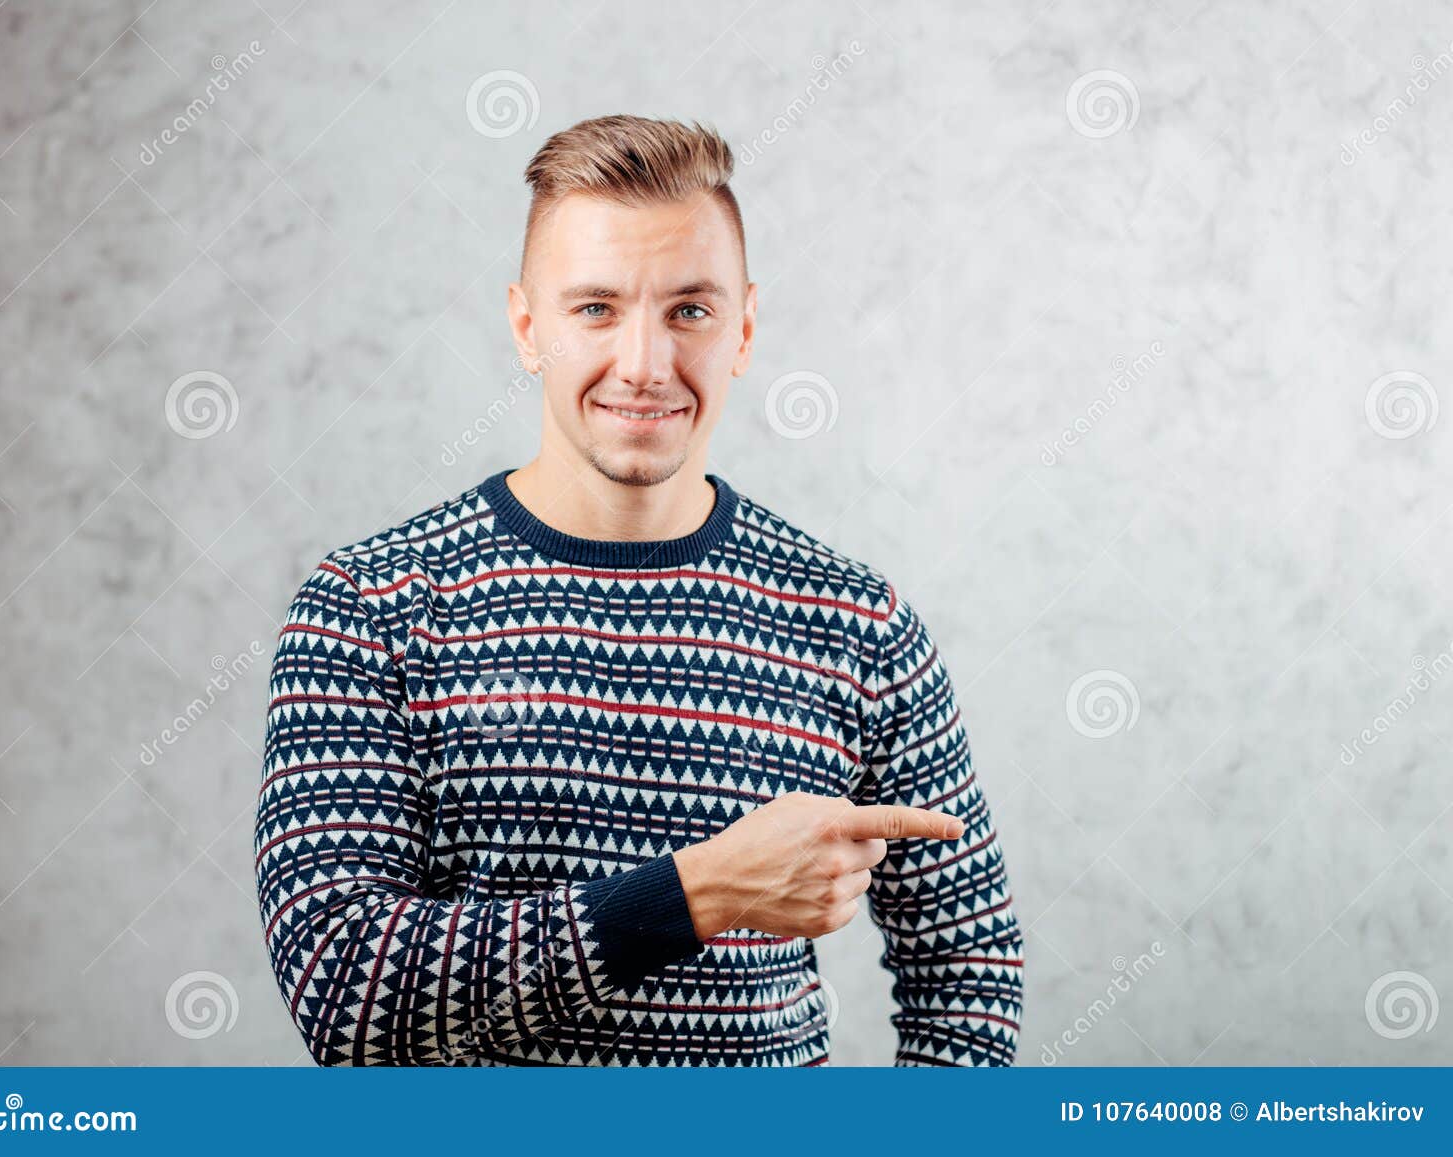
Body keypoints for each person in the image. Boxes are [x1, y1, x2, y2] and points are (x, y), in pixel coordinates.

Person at [254, 114, 1023, 1066]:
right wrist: (699, 892)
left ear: (745, 328)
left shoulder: (859, 626)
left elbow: (970, 972)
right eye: (596, 309)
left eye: (691, 310)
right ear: (527, 326)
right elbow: (346, 992)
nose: (647, 364)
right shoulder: (370, 609)